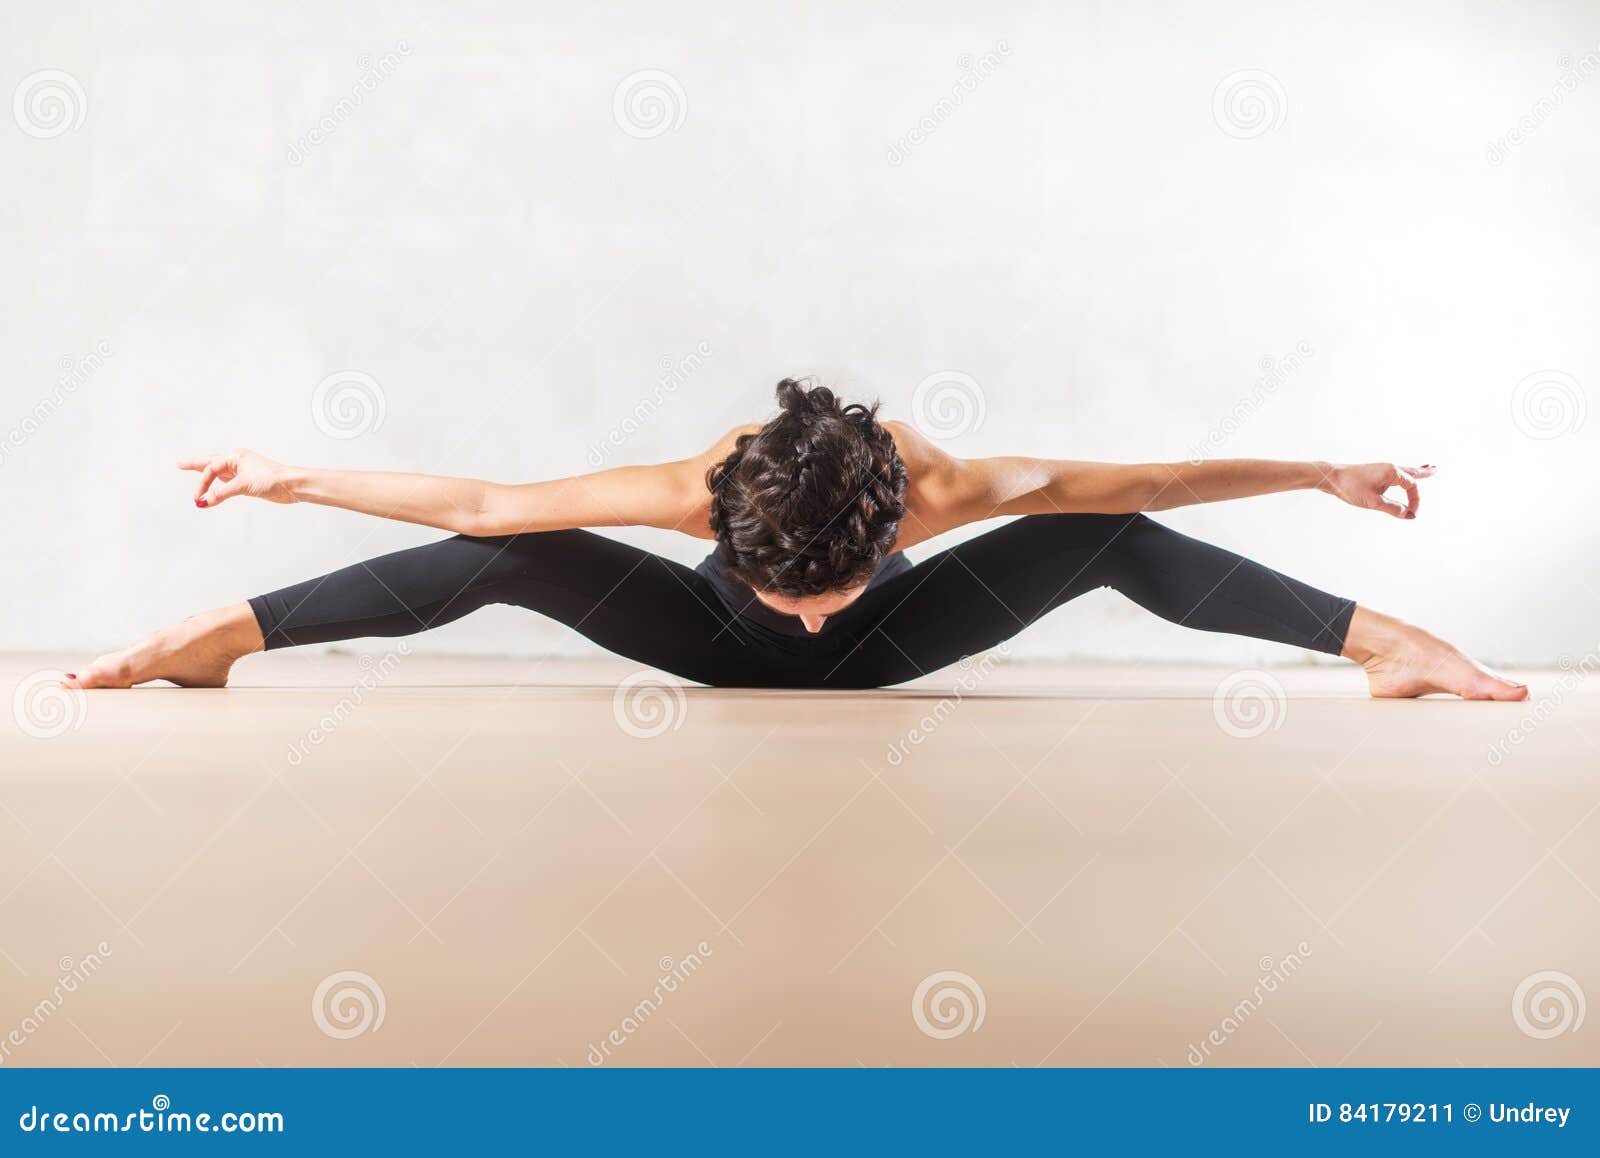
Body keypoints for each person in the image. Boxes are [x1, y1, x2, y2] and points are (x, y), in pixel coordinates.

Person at [63, 379, 1526, 699]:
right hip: (708, 649)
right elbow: (483, 510)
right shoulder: (697, 483)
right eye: (796, 587)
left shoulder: (952, 484)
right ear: (728, 522)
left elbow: (1160, 476)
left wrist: (1322, 468)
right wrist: (286, 475)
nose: (814, 611)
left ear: (900, 520)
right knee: (511, 562)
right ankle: (219, 641)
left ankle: (1391, 649)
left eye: (828, 584)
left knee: (1115, 529)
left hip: (908, 654)